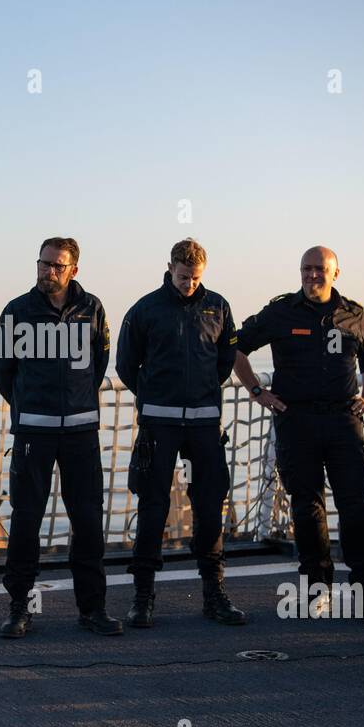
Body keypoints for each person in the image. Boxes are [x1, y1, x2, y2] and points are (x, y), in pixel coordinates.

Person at [233, 246, 364, 615]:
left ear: (336, 273)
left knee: (355, 506)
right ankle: (318, 591)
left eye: (319, 269)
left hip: (343, 421)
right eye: (306, 269)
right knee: (307, 508)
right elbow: (234, 348)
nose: (312, 275)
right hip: (296, 420)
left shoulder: (353, 314)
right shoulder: (281, 311)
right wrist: (257, 391)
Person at [0, 238, 121, 638]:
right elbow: (3, 372)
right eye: (43, 264)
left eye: (56, 266)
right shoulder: (17, 311)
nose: (47, 272)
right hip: (33, 431)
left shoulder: (92, 308)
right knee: (27, 520)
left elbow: (99, 363)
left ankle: (92, 609)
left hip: (81, 432)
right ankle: (19, 609)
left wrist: (76, 403)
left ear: (73, 270)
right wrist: (32, 407)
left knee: (87, 521)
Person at [116, 239, 246, 628]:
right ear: (169, 268)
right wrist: (156, 393)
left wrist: (203, 391)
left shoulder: (218, 306)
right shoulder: (145, 309)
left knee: (209, 506)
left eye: (195, 277)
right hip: (159, 422)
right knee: (153, 507)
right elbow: (125, 364)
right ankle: (142, 598)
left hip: (205, 423)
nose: (189, 283)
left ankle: (214, 594)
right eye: (183, 276)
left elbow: (225, 359)